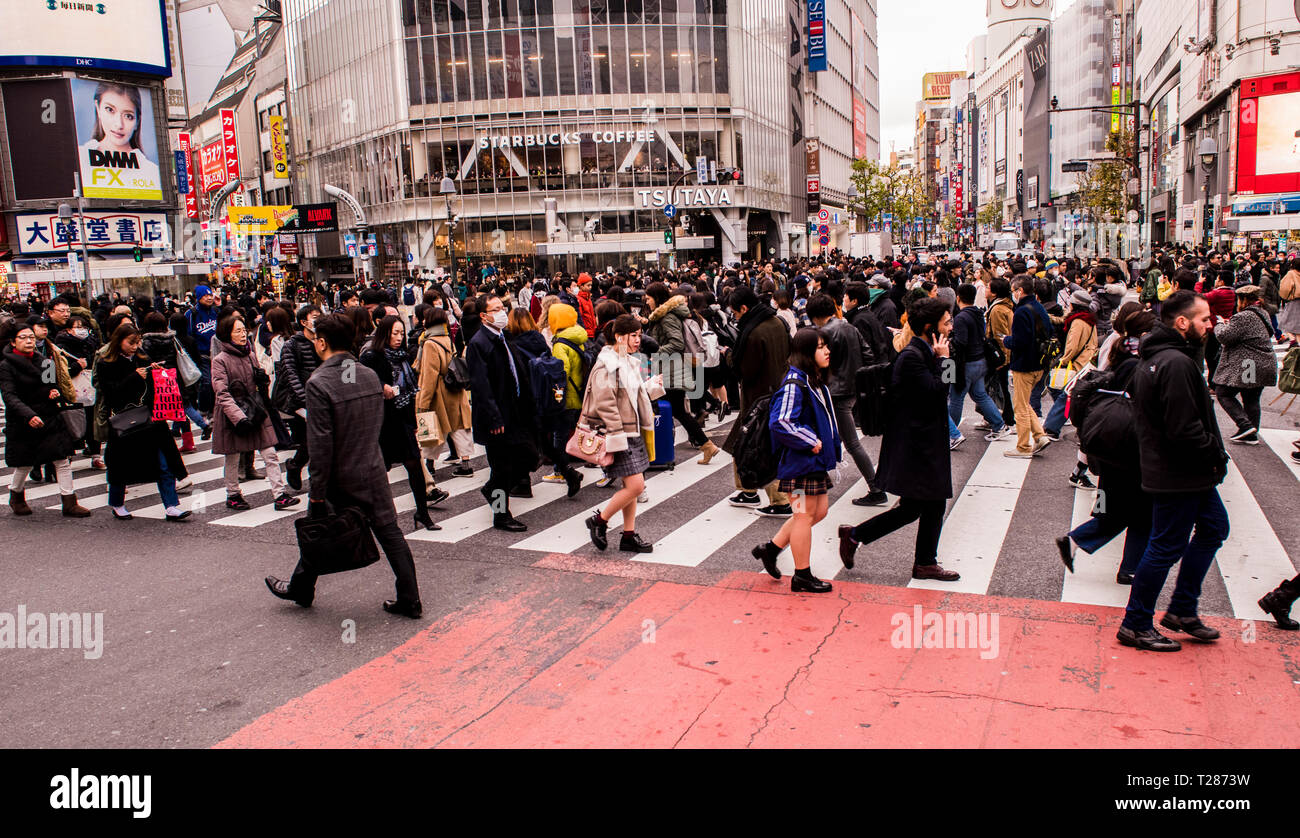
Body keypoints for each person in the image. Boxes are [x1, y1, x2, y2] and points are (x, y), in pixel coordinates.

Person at [265, 314, 423, 618]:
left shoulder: (320, 382)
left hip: (341, 476)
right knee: (390, 534)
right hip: (373, 467)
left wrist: (317, 491)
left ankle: (300, 588)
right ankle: (410, 598)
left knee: (317, 529)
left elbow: (321, 444)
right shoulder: (367, 375)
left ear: (322, 343)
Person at [1117, 291, 1230, 652]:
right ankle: (1135, 622)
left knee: (1214, 528)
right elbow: (1184, 428)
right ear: (1182, 322)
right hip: (1180, 471)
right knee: (1165, 545)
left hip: (1178, 469)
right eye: (1204, 319)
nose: (1210, 325)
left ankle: (1182, 608)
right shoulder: (1177, 363)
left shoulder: (1154, 358)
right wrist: (1215, 452)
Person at [837, 298, 961, 581]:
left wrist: (945, 358)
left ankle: (859, 537)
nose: (951, 327)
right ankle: (921, 561)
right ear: (930, 327)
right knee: (923, 505)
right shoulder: (911, 358)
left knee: (918, 507)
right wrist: (945, 360)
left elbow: (946, 387)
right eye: (946, 322)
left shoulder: (925, 351)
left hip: (926, 441)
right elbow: (937, 393)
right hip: (917, 445)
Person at [1056, 306, 1157, 585]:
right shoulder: (1136, 364)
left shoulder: (1120, 353)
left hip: (1113, 447)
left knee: (1123, 510)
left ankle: (1084, 544)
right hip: (1129, 448)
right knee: (1139, 512)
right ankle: (1124, 565)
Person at [752, 328, 842, 592]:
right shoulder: (795, 383)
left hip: (810, 462)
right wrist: (811, 441)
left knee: (818, 511)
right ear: (805, 353)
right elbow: (780, 422)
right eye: (820, 347)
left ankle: (771, 548)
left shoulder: (811, 379)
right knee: (803, 516)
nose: (827, 351)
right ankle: (801, 575)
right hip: (799, 462)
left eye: (827, 346)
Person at [583, 314, 666, 553]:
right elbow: (604, 403)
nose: (638, 340)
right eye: (634, 336)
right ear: (620, 337)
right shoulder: (607, 365)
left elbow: (630, 396)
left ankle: (628, 535)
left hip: (631, 430)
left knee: (631, 485)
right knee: (636, 486)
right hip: (619, 433)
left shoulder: (626, 360)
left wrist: (650, 387)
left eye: (639, 335)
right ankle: (599, 521)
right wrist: (617, 433)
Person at [94, 322, 190, 521]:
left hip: (151, 418)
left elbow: (152, 387)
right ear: (118, 341)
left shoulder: (142, 357)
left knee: (164, 462)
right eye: (131, 342)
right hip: (125, 420)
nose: (135, 346)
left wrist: (155, 373)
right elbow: (110, 393)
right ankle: (117, 503)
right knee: (120, 465)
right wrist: (134, 377)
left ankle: (171, 505)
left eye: (138, 342)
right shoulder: (105, 363)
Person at [0, 321, 91, 517]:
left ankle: (69, 502)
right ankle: (16, 495)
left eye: (31, 337)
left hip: (49, 417)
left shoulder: (45, 361)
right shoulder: (6, 366)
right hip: (23, 420)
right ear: (13, 342)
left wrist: (54, 392)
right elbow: (9, 396)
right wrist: (29, 415)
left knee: (62, 459)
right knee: (24, 463)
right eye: (23, 338)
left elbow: (53, 384)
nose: (29, 341)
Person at [359, 315, 439, 531]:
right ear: (384, 332)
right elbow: (360, 384)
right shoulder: (371, 357)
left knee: (414, 466)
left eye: (401, 333)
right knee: (379, 471)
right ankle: (373, 515)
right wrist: (380, 386)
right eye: (394, 333)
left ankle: (422, 513)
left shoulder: (403, 356)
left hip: (401, 419)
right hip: (381, 422)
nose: (398, 337)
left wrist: (414, 423)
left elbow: (410, 393)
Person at [210, 315, 297, 512]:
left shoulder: (249, 355)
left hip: (255, 409)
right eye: (238, 331)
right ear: (227, 334)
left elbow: (259, 384)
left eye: (244, 330)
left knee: (269, 453)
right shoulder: (220, 360)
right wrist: (238, 417)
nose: (243, 334)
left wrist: (262, 380)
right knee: (232, 456)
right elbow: (222, 393)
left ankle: (280, 494)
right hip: (233, 414)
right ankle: (233, 494)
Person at [805, 293, 885, 506]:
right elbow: (868, 355)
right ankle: (818, 480)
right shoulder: (849, 326)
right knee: (830, 437)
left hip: (835, 393)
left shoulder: (824, 333)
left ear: (813, 315)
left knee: (849, 442)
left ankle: (876, 487)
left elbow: (819, 365)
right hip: (853, 389)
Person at [466, 293, 536, 532]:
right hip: (495, 416)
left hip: (514, 411)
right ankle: (500, 514)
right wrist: (494, 416)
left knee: (528, 456)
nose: (502, 312)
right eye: (495, 309)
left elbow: (517, 370)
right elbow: (481, 386)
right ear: (484, 316)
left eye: (502, 307)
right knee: (500, 467)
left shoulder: (504, 336)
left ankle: (492, 489)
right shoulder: (479, 343)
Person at [721, 286, 793, 517]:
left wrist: (729, 355)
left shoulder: (752, 332)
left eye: (736, 312)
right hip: (778, 389)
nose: (735, 318)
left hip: (759, 398)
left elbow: (745, 371)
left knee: (761, 446)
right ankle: (748, 489)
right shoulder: (777, 322)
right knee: (740, 442)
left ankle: (780, 501)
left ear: (744, 308)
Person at [643, 282, 719, 465]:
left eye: (648, 298)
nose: (646, 302)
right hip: (670, 370)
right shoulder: (662, 316)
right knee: (678, 411)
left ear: (657, 298)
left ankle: (703, 445)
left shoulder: (667, 317)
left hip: (670, 370)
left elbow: (676, 343)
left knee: (673, 411)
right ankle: (706, 446)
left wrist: (656, 355)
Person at [1212, 285, 1277, 445]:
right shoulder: (1263, 313)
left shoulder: (1244, 316)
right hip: (1264, 361)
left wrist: (1219, 324)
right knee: (1251, 398)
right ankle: (1250, 433)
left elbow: (1224, 336)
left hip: (1250, 364)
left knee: (1223, 392)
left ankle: (1245, 425)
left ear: (1243, 300)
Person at [947, 282, 1010, 442]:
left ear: (958, 298)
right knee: (980, 395)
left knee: (956, 397)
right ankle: (999, 425)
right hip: (980, 360)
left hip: (966, 363)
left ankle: (951, 434)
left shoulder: (961, 317)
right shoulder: (977, 313)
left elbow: (961, 342)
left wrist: (949, 341)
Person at [1002, 276, 1054, 458]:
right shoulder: (1039, 307)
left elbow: (1020, 342)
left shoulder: (1022, 311)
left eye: (1013, 290)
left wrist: (1006, 340)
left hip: (1024, 364)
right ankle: (1040, 436)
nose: (1013, 294)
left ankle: (1023, 447)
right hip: (1039, 363)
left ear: (1020, 291)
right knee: (1024, 403)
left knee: (1020, 407)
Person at [1042, 289, 1098, 444]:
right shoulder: (1089, 320)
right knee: (1066, 394)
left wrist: (1064, 360)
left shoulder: (1078, 322)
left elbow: (1072, 346)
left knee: (1064, 395)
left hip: (1077, 364)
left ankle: (1052, 429)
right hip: (1086, 363)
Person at [187, 285, 219, 414]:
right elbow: (188, 335)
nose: (209, 298)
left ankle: (215, 408)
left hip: (217, 353)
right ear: (199, 297)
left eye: (210, 295)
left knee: (218, 382)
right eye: (206, 296)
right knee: (206, 383)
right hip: (202, 355)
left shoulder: (215, 311)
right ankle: (204, 409)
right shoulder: (191, 314)